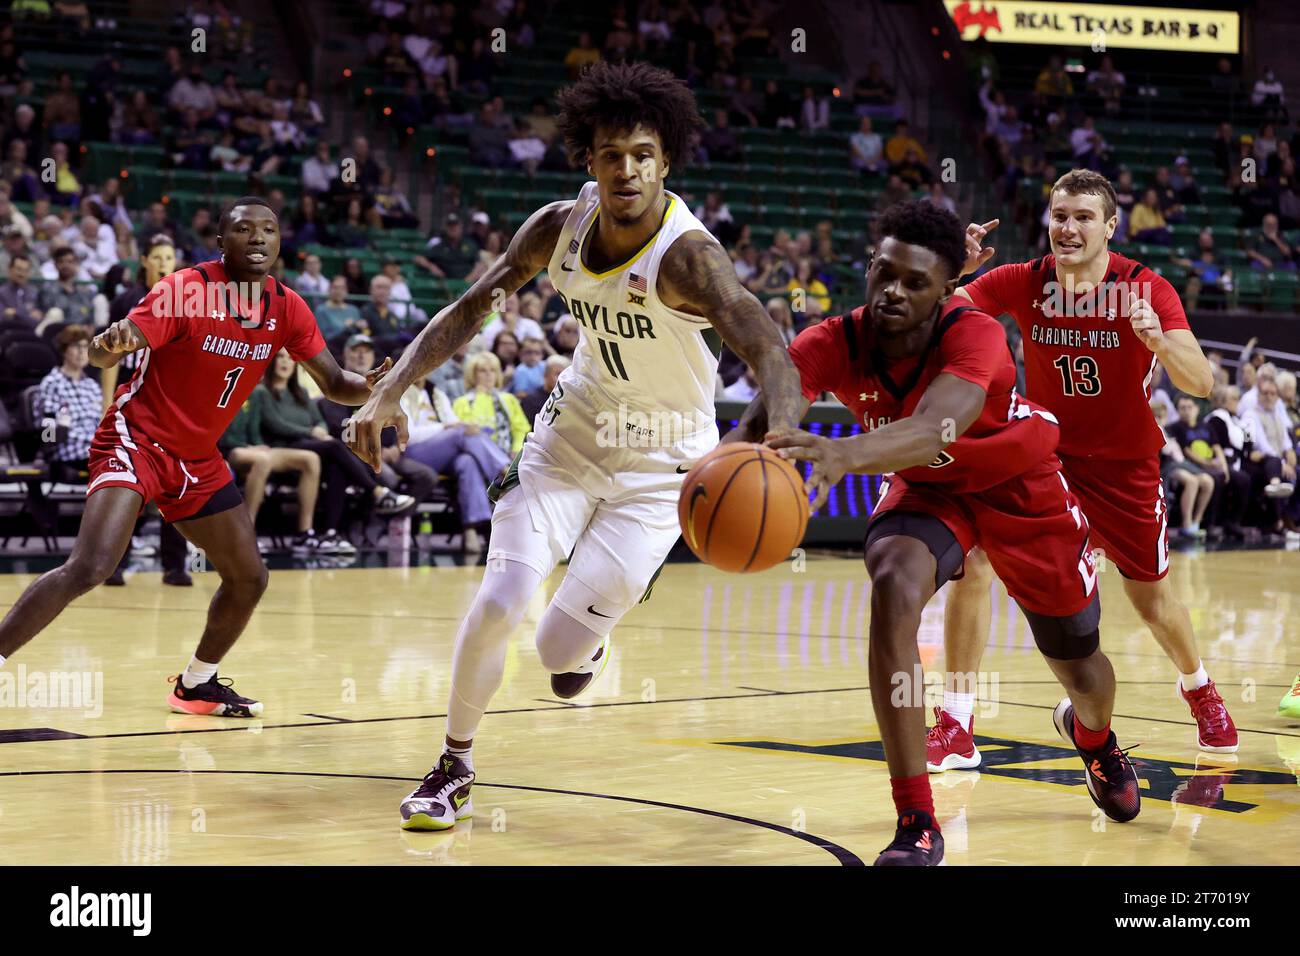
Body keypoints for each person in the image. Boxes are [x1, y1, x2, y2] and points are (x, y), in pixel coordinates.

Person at [344, 62, 804, 831]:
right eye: (611, 153)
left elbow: (770, 350)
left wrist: (778, 432)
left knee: (558, 651)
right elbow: (471, 307)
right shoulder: (559, 226)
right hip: (570, 439)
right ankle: (453, 763)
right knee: (500, 599)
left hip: (664, 467)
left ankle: (587, 643)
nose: (628, 169)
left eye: (644, 154)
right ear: (587, 161)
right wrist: (392, 388)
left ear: (667, 161)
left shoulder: (690, 257)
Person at [745, 200, 1138, 865]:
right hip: (928, 488)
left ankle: (1093, 736)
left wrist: (840, 454)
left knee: (1082, 665)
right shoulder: (837, 339)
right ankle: (917, 821)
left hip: (1020, 484)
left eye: (915, 281)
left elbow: (936, 428)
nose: (893, 291)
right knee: (893, 583)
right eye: (883, 273)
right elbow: (774, 403)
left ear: (946, 289)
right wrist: (732, 461)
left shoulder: (974, 332)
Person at [0, 197, 391, 717]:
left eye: (269, 230)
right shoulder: (184, 290)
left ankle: (196, 684)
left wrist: (376, 386)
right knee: (90, 566)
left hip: (196, 458)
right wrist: (107, 346)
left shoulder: (288, 306)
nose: (258, 238)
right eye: (244, 229)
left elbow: (336, 383)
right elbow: (102, 353)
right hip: (135, 439)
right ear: (220, 242)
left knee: (250, 576)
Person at [927, 170, 1235, 776]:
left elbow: (1202, 382)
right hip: (1044, 457)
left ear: (1110, 227)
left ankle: (1198, 687)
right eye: (1060, 215)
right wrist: (951, 271)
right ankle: (957, 722)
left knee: (1151, 598)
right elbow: (940, 313)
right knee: (977, 562)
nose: (1068, 228)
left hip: (1125, 466)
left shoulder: (1144, 288)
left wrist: (1160, 342)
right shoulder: (1025, 279)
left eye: (1083, 217)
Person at [256, 349, 415, 555]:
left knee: (336, 467)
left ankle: (330, 533)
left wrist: (319, 429)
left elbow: (318, 419)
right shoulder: (262, 392)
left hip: (310, 448)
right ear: (271, 362)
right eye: (280, 358)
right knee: (334, 446)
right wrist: (311, 431)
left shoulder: (301, 393)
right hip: (281, 448)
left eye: (289, 358)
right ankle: (377, 491)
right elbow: (274, 424)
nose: (285, 363)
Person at [220, 392, 323, 554]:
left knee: (310, 459)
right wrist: (249, 447)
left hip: (254, 449)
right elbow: (221, 435)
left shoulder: (254, 393)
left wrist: (259, 445)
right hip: (230, 451)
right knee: (263, 460)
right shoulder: (223, 388)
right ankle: (247, 533)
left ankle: (304, 533)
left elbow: (254, 430)